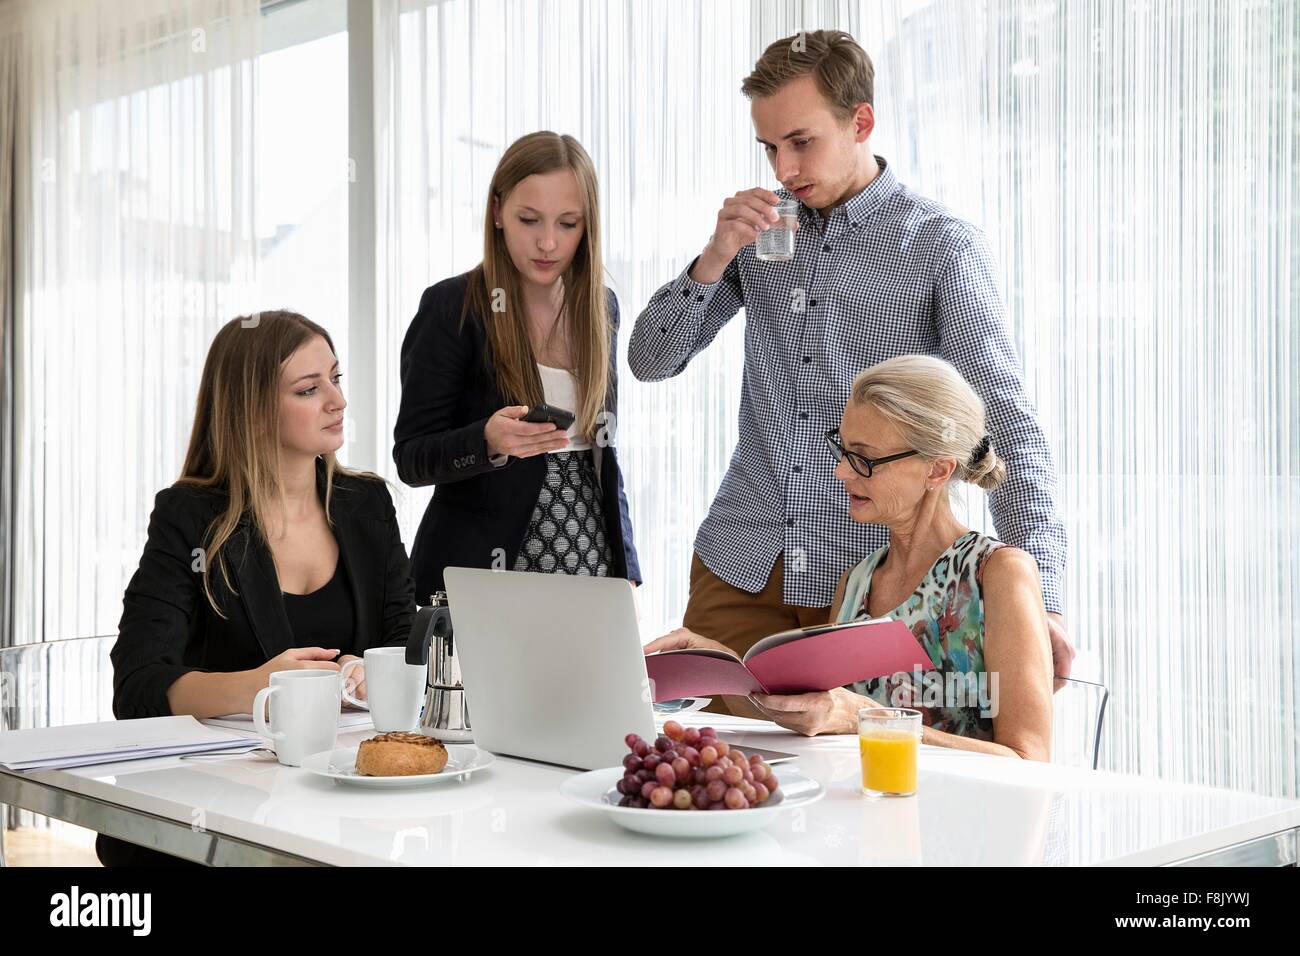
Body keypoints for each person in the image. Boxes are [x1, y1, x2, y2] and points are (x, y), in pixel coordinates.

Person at [628, 30, 1071, 718]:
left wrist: (1046, 603)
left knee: (841, 792)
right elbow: (650, 361)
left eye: (801, 142)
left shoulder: (937, 247)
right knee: (713, 773)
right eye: (770, 147)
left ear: (860, 121)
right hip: (740, 564)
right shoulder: (759, 236)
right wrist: (713, 256)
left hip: (862, 580)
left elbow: (1008, 426)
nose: (784, 166)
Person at [101, 312, 416, 865]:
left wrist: (362, 672)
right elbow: (139, 685)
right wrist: (261, 685)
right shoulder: (190, 515)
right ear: (251, 409)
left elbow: (401, 646)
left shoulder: (366, 504)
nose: (337, 401)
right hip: (211, 815)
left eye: (336, 379)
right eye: (309, 389)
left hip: (343, 803)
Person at [646, 356, 1053, 760]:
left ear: (937, 470)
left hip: (963, 821)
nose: (842, 471)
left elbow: (1030, 760)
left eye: (864, 458)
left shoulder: (998, 574)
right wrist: (721, 666)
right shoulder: (856, 583)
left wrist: (868, 717)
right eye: (843, 449)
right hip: (868, 814)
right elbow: (821, 716)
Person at [394, 131, 639, 598]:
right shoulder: (451, 307)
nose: (548, 242)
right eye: (530, 220)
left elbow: (604, 452)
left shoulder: (600, 307)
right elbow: (411, 458)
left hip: (589, 557)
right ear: (497, 211)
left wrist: (625, 566)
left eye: (569, 223)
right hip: (485, 567)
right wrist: (487, 440)